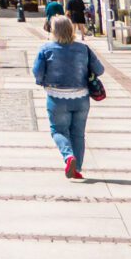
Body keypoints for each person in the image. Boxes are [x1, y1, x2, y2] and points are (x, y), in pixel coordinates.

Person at [33, 13, 104, 180]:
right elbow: (100, 70)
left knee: (58, 130)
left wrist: (42, 82)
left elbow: (37, 72)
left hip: (56, 96)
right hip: (81, 97)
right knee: (78, 133)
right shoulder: (83, 48)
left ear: (54, 31)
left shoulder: (46, 49)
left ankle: (68, 157)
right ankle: (77, 168)